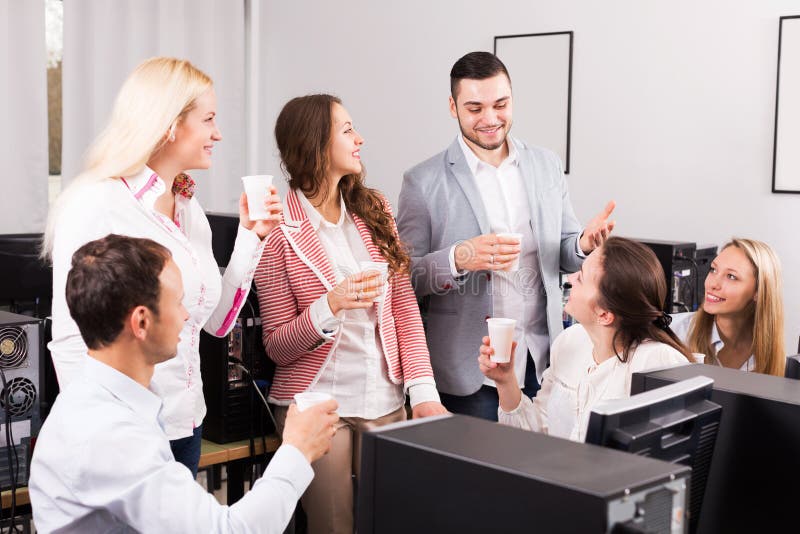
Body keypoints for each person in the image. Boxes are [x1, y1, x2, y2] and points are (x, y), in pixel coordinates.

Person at [43, 57, 283, 476]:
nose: (218, 133)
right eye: (208, 119)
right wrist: (97, 437)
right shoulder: (96, 204)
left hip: (183, 425)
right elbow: (68, 341)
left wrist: (252, 235)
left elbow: (216, 324)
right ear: (170, 124)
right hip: (120, 434)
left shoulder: (190, 210)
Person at [29, 235, 338, 533]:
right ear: (141, 322)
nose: (187, 314)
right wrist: (298, 448)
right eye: (178, 302)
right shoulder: (111, 436)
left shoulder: (103, 400)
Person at [254, 94, 447, 534]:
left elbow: (404, 312)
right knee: (334, 525)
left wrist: (423, 392)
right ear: (315, 144)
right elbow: (278, 346)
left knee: (393, 520)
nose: (359, 139)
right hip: (317, 401)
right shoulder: (277, 227)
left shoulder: (374, 209)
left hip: (384, 395)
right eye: (347, 130)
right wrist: (331, 304)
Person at [397, 51, 615, 421]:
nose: (490, 119)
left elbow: (561, 252)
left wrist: (583, 244)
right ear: (453, 107)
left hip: (542, 358)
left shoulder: (545, 164)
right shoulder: (422, 182)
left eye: (500, 104)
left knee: (539, 468)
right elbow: (406, 279)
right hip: (468, 372)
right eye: (475, 108)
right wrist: (458, 258)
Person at [479, 237, 694, 441]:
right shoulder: (569, 342)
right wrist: (506, 380)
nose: (570, 278)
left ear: (604, 314)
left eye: (580, 277)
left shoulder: (658, 363)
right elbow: (534, 435)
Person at [671, 238, 785, 376]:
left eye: (731, 276)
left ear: (758, 291)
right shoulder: (672, 335)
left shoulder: (770, 356)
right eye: (713, 270)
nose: (713, 284)